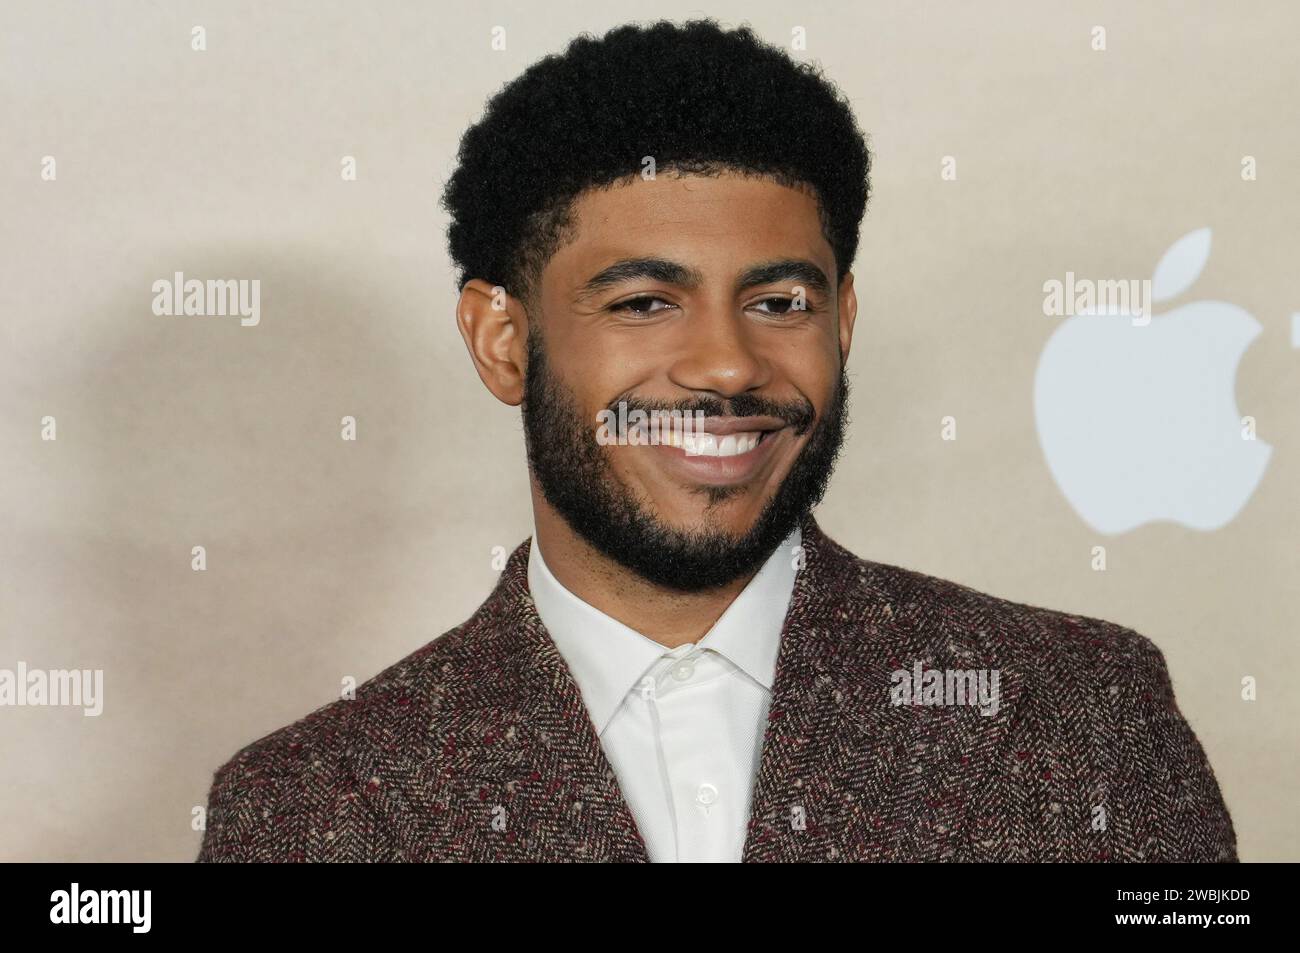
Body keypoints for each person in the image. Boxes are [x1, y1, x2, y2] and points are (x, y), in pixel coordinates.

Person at [197, 19, 1235, 862]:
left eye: (780, 300)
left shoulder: (1081, 712)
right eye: (645, 301)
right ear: (504, 340)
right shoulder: (307, 808)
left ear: (843, 323)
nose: (729, 366)